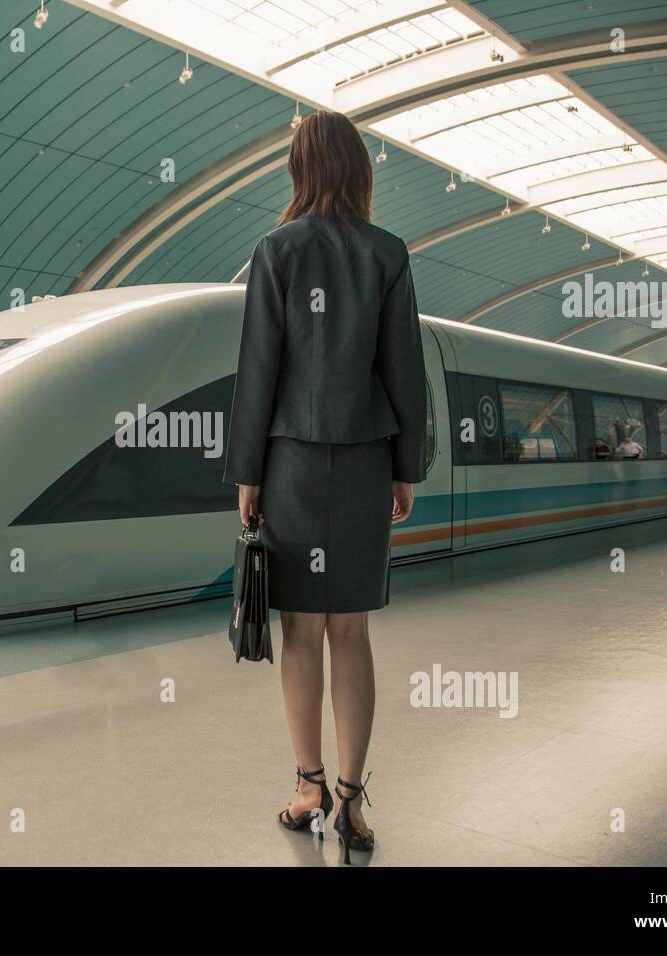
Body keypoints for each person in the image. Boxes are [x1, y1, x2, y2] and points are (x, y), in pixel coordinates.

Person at [223, 110, 427, 864]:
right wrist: (406, 465)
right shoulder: (389, 254)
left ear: (299, 169)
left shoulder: (275, 249)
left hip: (293, 465)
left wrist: (248, 472)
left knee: (301, 630)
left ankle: (306, 786)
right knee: (353, 630)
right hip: (369, 460)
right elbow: (405, 368)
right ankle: (350, 802)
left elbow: (259, 369)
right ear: (359, 170)